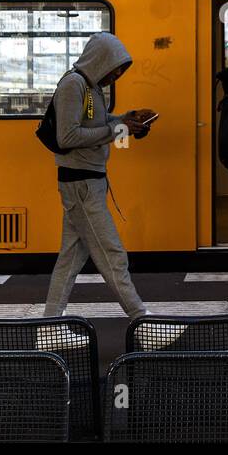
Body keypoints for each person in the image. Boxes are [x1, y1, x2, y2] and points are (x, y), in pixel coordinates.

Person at [43, 32, 156, 320]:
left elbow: (97, 122)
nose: (116, 75)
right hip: (80, 183)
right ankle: (141, 320)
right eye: (115, 68)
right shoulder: (73, 85)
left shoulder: (92, 88)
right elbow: (67, 136)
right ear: (100, 60)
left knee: (69, 260)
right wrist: (117, 131)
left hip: (89, 182)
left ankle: (49, 327)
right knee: (112, 254)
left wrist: (127, 119)